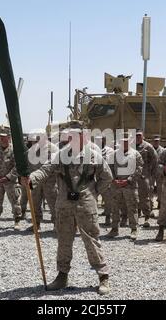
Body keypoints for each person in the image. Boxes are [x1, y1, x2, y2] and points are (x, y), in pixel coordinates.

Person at [21, 122, 113, 296]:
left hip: (86, 206)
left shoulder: (94, 156)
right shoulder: (60, 156)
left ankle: (103, 276)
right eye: (70, 137)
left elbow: (107, 177)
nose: (73, 140)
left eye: (77, 137)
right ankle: (62, 276)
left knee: (92, 240)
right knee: (64, 241)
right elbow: (45, 170)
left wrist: (93, 193)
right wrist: (31, 179)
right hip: (64, 206)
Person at [107, 133, 143, 240]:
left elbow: (139, 169)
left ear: (130, 142)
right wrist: (114, 180)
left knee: (132, 208)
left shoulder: (135, 154)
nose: (124, 143)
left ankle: (134, 229)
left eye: (126, 141)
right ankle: (114, 229)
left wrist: (128, 180)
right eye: (122, 141)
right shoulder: (114, 154)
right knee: (115, 208)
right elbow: (109, 168)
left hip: (130, 186)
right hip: (116, 185)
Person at [25, 131, 59, 231]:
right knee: (35, 202)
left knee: (53, 203)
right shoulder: (31, 150)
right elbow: (27, 164)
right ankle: (36, 224)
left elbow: (57, 164)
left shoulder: (53, 149)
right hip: (35, 180)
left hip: (50, 181)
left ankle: (57, 224)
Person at [135, 130, 158, 227]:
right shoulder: (131, 146)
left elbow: (155, 159)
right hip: (133, 176)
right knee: (134, 197)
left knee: (145, 197)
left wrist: (150, 173)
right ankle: (135, 218)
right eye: (136, 135)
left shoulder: (148, 146)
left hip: (144, 176)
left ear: (143, 136)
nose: (138, 137)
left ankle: (147, 217)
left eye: (139, 135)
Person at [94, 135, 114, 226]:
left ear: (104, 141)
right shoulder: (92, 150)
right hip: (94, 178)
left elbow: (110, 163)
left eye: (100, 140)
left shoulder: (110, 151)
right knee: (91, 199)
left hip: (104, 178)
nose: (98, 142)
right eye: (96, 140)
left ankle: (108, 216)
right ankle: (92, 218)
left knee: (108, 199)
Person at [151, 135, 165, 209]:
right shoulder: (149, 149)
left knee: (160, 188)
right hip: (151, 172)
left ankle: (160, 202)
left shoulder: (163, 150)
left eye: (157, 141)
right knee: (150, 188)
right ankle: (150, 203)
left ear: (159, 141)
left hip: (160, 172)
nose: (156, 142)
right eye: (155, 141)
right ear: (152, 141)